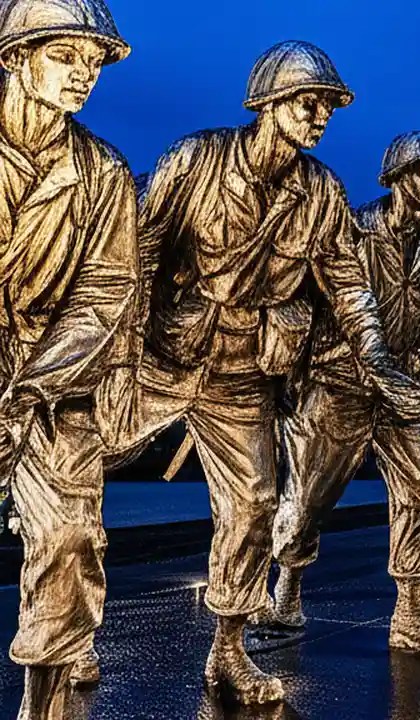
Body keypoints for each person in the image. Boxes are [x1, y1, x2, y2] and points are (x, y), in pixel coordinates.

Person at [99, 41, 420, 704]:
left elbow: (347, 283)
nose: (321, 116)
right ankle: (63, 631)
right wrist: (120, 359)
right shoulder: (195, 159)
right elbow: (138, 255)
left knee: (253, 505)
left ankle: (227, 651)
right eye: (309, 103)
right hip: (162, 353)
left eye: (328, 106)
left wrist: (379, 360)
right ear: (269, 104)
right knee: (78, 459)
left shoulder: (321, 191)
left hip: (241, 370)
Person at [257, 131, 420, 655]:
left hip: (404, 388)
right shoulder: (353, 228)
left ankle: (411, 612)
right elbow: (310, 297)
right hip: (339, 380)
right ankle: (288, 586)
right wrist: (288, 372)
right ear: (395, 176)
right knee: (305, 502)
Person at [0, 1, 139, 716]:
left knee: (71, 539)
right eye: (65, 56)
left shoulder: (104, 172)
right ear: (15, 57)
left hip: (53, 379)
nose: (84, 74)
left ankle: (45, 706)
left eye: (93, 62)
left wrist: (30, 385)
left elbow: (106, 288)